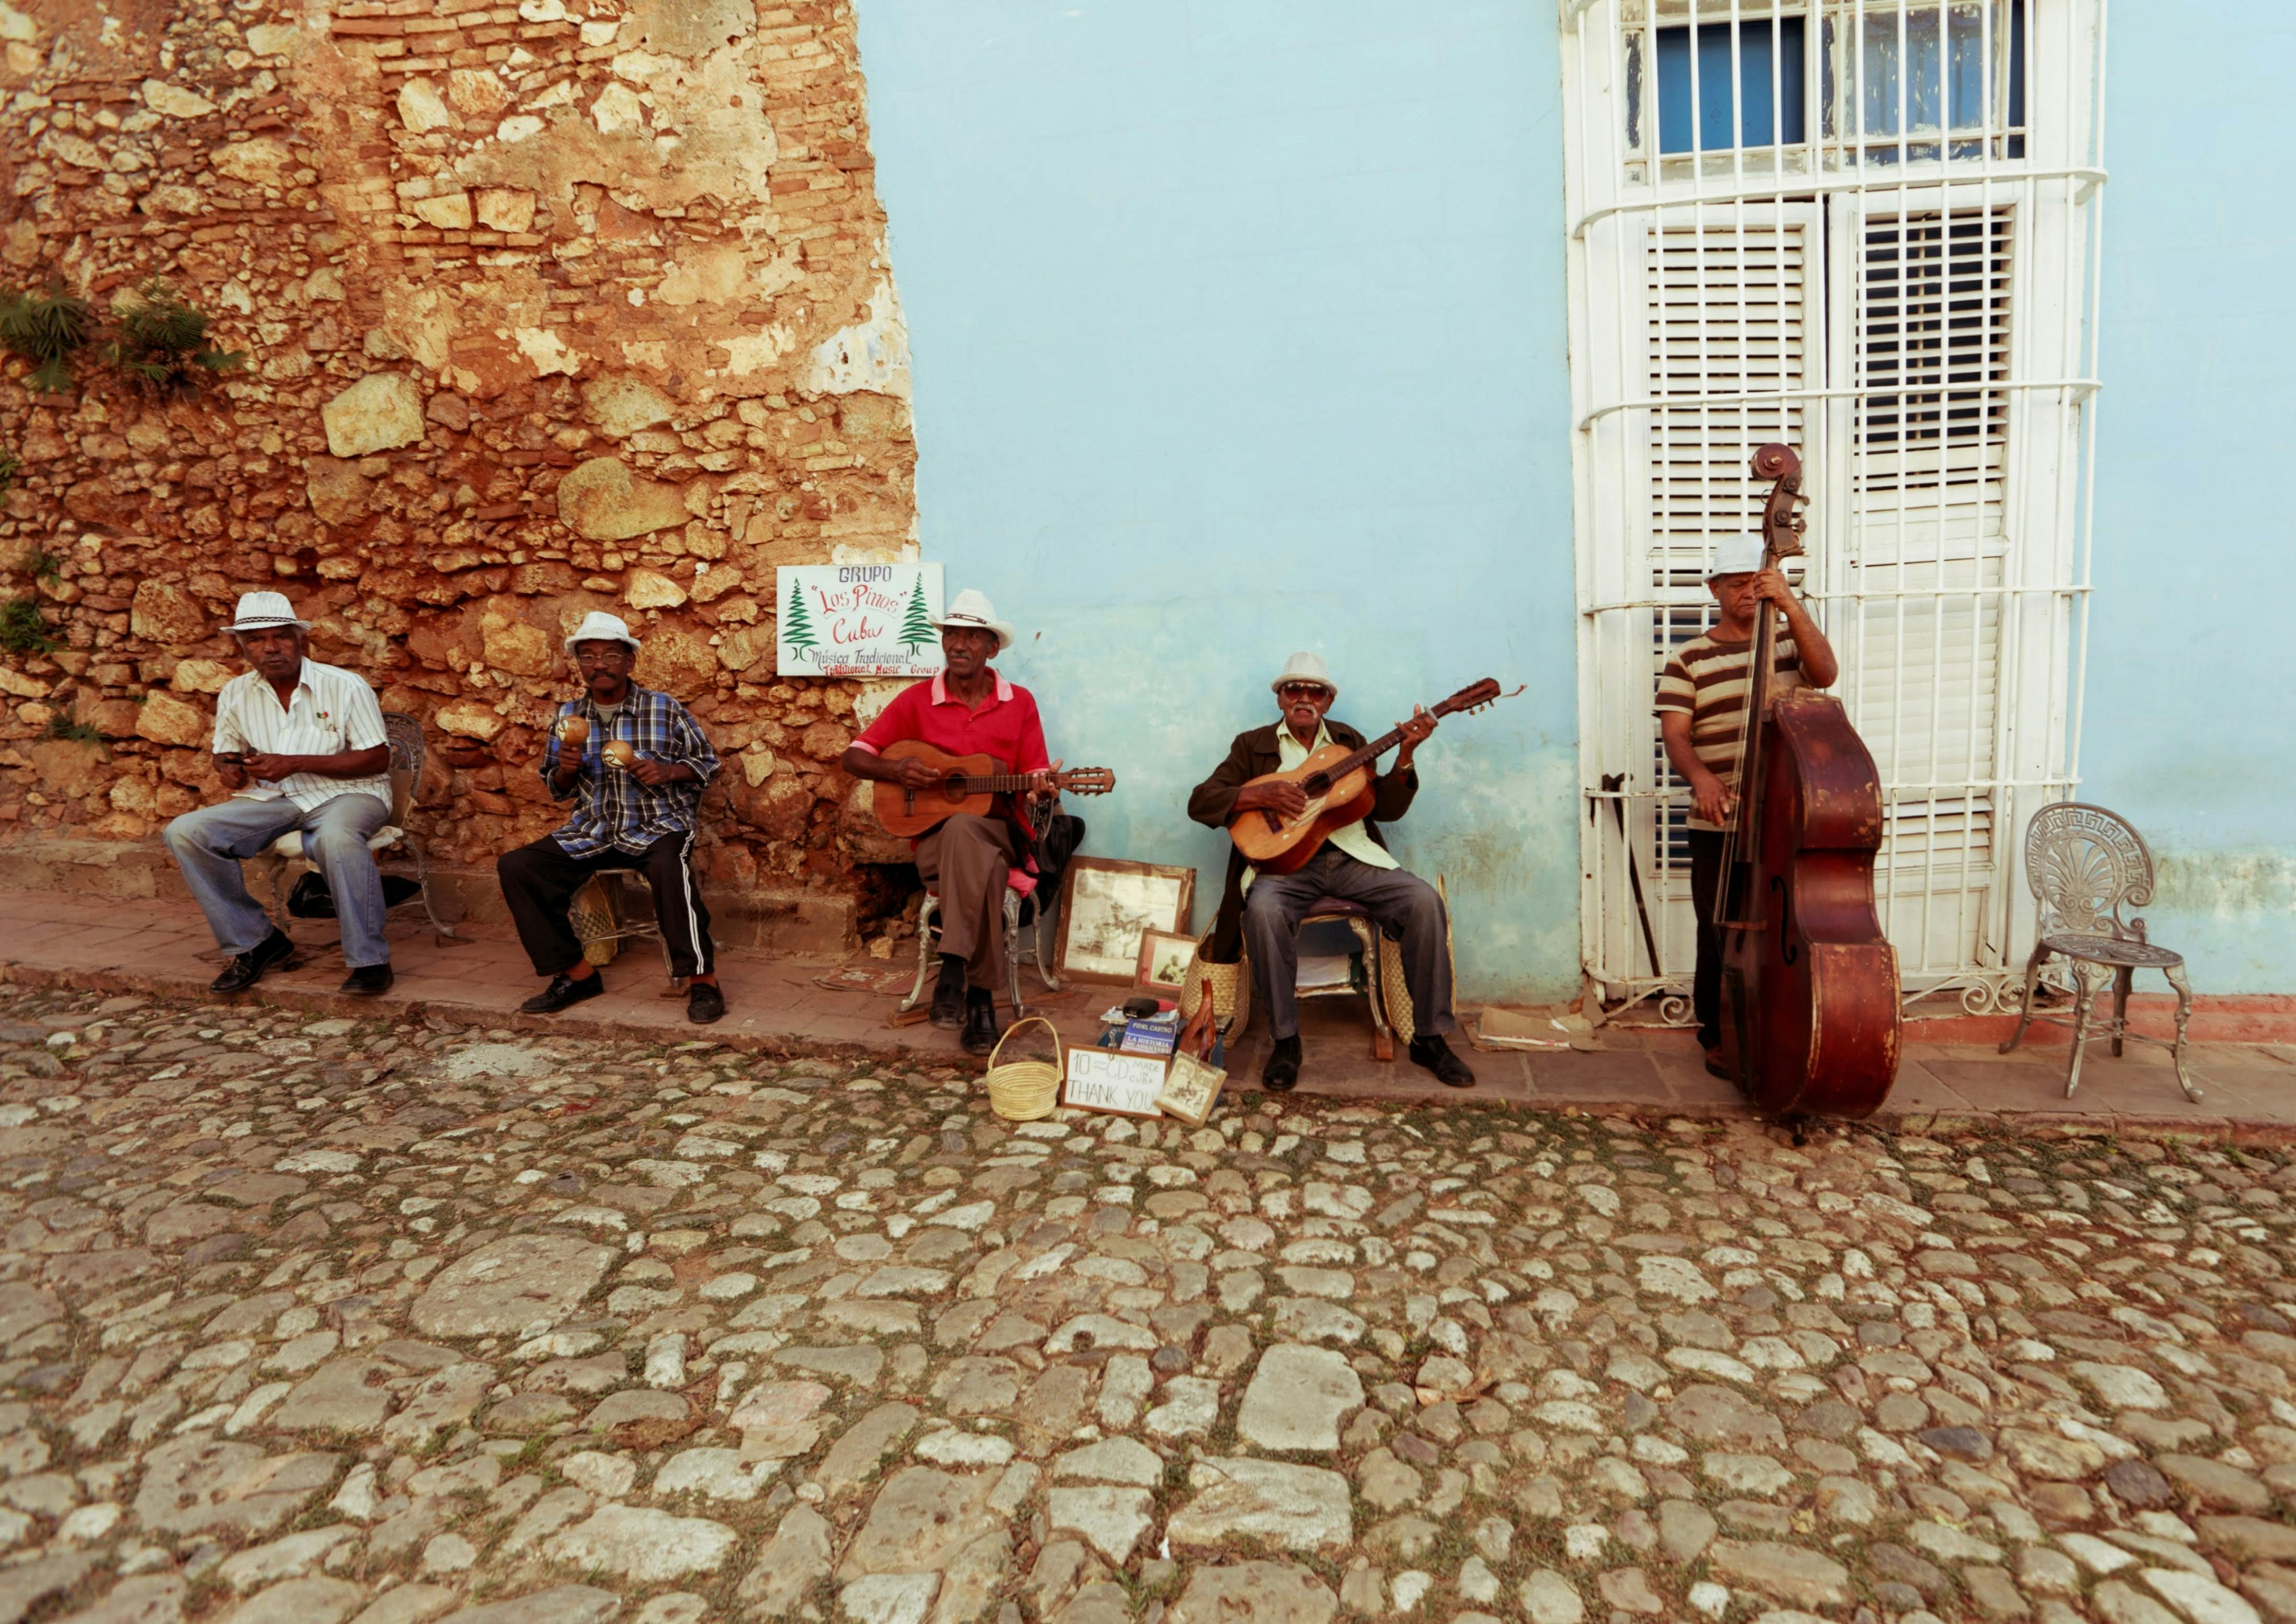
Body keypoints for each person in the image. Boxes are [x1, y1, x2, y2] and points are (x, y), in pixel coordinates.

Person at [1187, 652, 1474, 1093]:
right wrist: (1262, 794)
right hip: (1284, 868)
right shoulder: (1252, 745)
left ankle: (1430, 1039)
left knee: (1422, 901)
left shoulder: (1349, 741)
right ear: (1281, 698)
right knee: (1261, 911)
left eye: (1315, 691)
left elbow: (1389, 809)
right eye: (1294, 689)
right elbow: (1202, 801)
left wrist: (1406, 755)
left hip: (1353, 860)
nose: (1304, 697)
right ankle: (1286, 1042)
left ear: (1328, 701)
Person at [840, 590, 1058, 1057]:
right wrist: (896, 771)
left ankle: (954, 965)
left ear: (991, 648)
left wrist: (1043, 786)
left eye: (972, 637)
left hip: (1000, 834)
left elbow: (1035, 772)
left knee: (970, 833)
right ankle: (980, 1002)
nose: (959, 644)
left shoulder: (1019, 703)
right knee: (966, 842)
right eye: (951, 634)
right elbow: (854, 756)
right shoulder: (917, 700)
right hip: (934, 845)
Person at [1655, 535, 1842, 1079]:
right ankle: (1717, 1033)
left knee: (1792, 923)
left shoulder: (1787, 646)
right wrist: (1703, 781)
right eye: (1735, 584)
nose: (1745, 593)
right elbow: (1677, 737)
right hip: (1720, 820)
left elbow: (1826, 674)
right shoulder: (1687, 659)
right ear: (1714, 589)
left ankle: (1785, 1021)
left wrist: (1789, 603)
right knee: (1720, 928)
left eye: (1753, 584)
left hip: (1787, 817)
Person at [161, 591, 397, 996]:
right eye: (256, 640)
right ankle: (257, 943)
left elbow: (377, 759)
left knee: (335, 839)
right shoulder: (236, 693)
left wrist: (294, 763)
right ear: (243, 648)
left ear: (299, 639)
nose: (270, 648)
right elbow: (226, 753)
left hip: (351, 794)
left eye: (280, 637)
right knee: (186, 831)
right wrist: (230, 770)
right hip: (277, 799)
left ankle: (370, 961)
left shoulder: (344, 686)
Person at [496, 611, 726, 1024]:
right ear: (579, 665)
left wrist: (668, 771)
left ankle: (702, 981)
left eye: (609, 655)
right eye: (588, 657)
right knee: (518, 867)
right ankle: (577, 974)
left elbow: (708, 763)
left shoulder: (664, 708)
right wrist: (567, 767)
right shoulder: (569, 717)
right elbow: (557, 787)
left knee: (671, 869)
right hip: (593, 830)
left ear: (629, 662)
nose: (599, 664)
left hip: (658, 826)